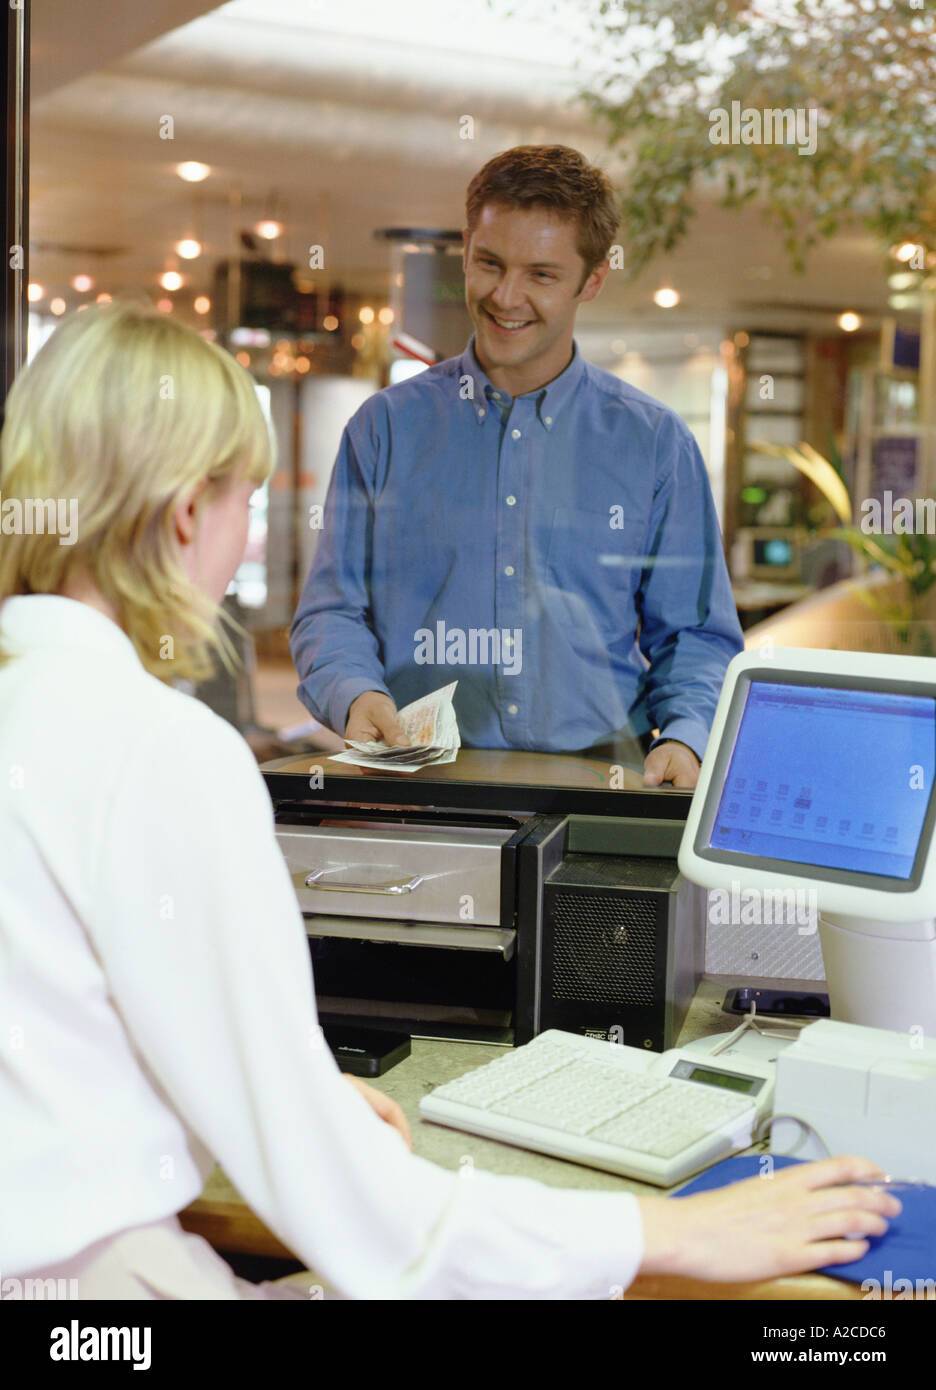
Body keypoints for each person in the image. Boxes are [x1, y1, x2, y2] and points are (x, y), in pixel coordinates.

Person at [0, 302, 898, 1300]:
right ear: (183, 514)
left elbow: (57, 1034)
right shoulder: (163, 753)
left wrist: (287, 1093)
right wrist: (673, 1232)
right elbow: (374, 1227)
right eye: (246, 499)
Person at [290, 145, 744, 791]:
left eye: (541, 274)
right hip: (418, 783)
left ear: (592, 280)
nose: (506, 297)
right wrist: (355, 694)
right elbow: (331, 612)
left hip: (601, 782)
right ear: (466, 251)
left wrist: (685, 736)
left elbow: (696, 635)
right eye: (489, 263)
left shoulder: (654, 443)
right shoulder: (384, 428)